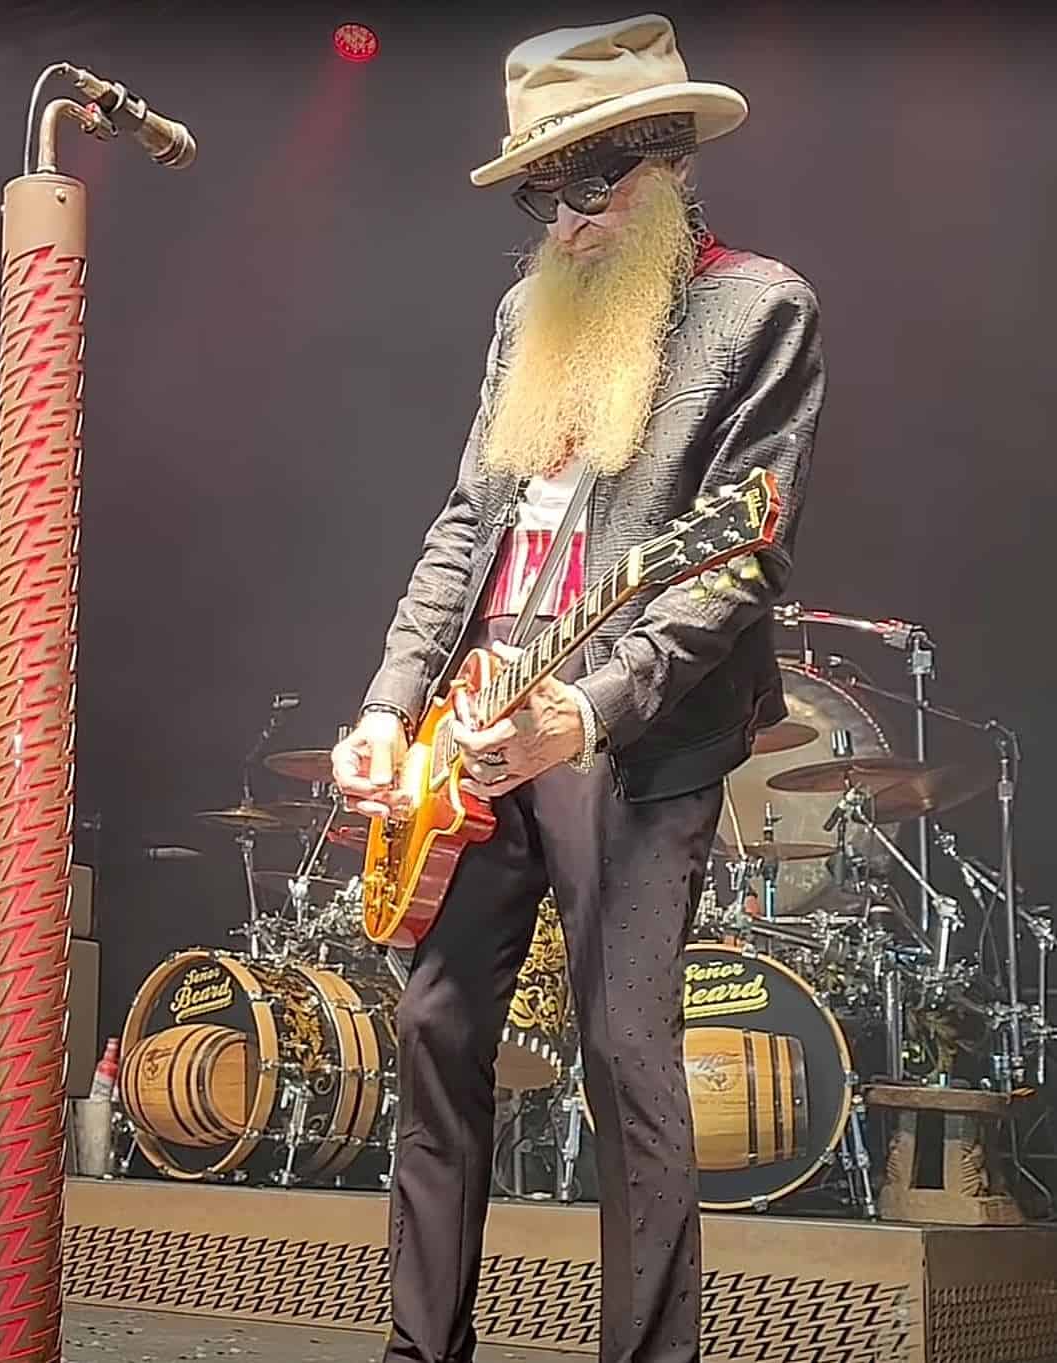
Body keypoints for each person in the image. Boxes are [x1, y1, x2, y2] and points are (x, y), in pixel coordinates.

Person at [331, 13, 825, 1363]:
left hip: (629, 735)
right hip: (476, 729)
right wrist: (388, 703)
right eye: (544, 189)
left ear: (665, 164)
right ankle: (419, 1347)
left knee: (625, 1056)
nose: (565, 216)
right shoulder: (521, 313)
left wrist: (591, 707)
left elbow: (733, 567)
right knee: (436, 1032)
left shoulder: (758, 309)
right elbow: (463, 527)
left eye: (591, 180)